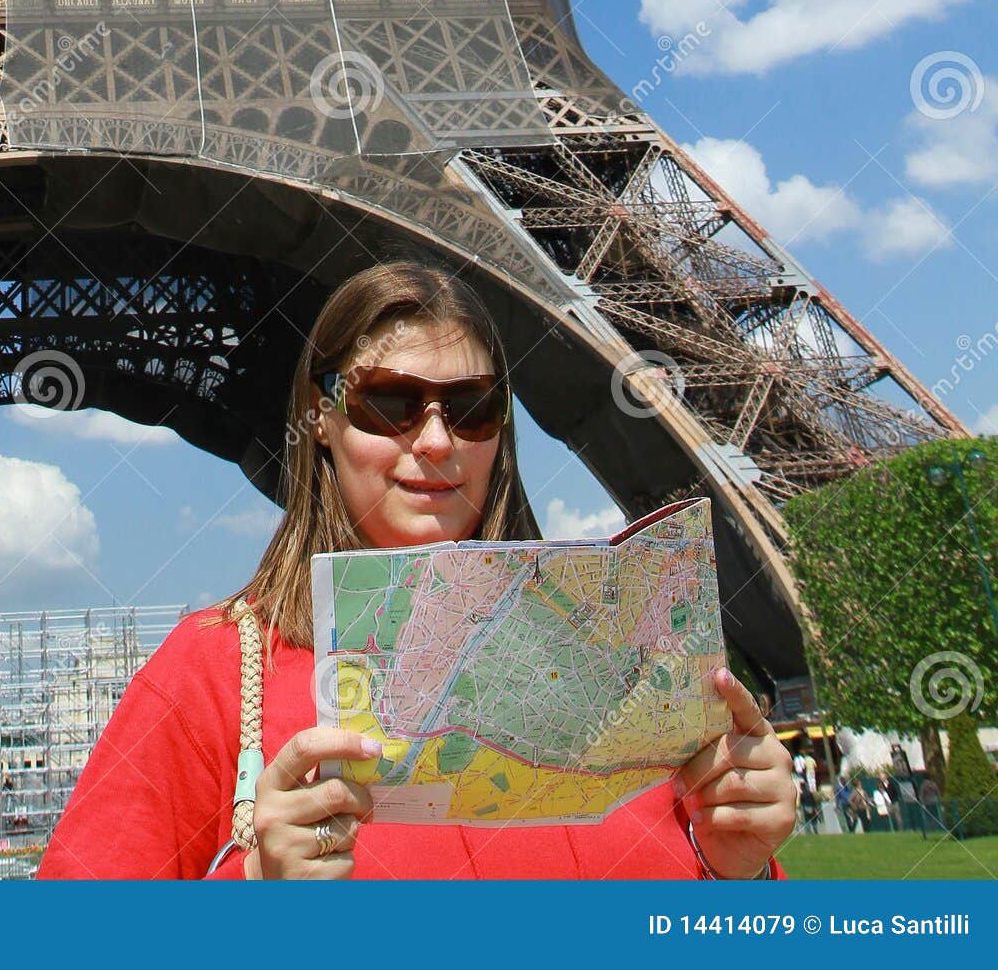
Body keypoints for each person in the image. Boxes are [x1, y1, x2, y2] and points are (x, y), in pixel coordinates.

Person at [39, 262, 797, 880]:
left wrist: (739, 871)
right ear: (324, 417)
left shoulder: (623, 669)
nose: (435, 440)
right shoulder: (210, 675)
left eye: (472, 407)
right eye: (391, 402)